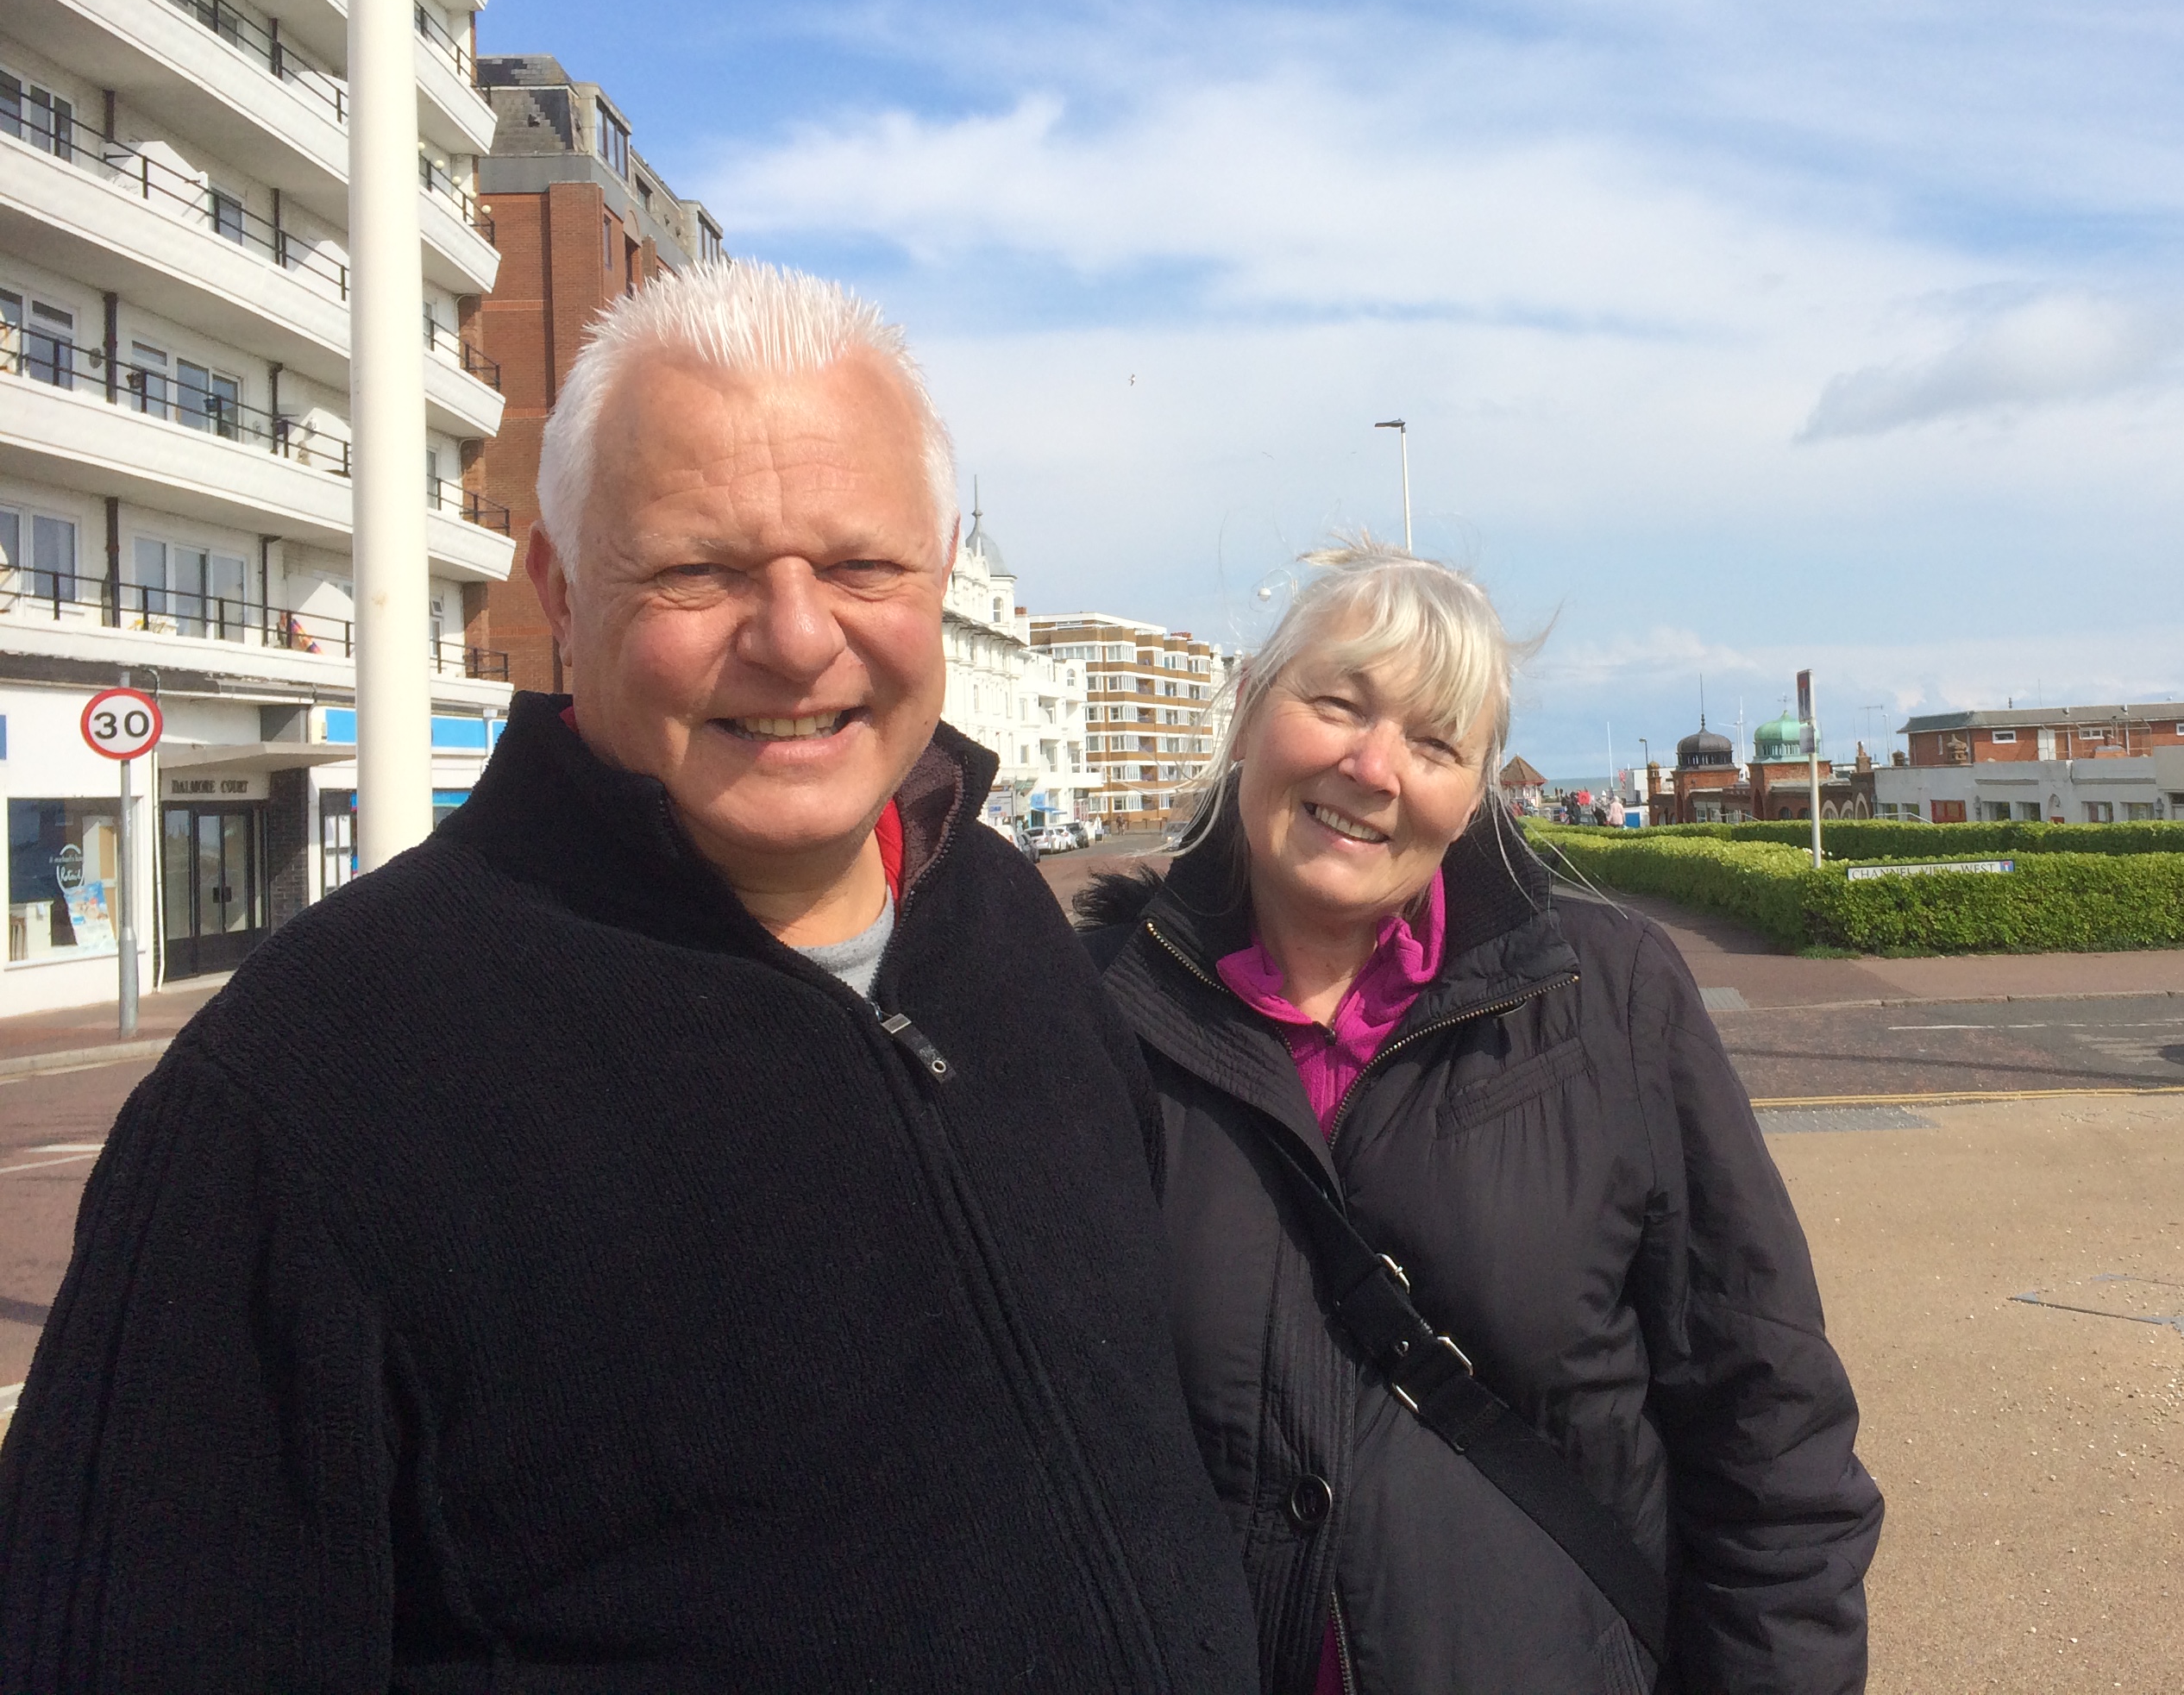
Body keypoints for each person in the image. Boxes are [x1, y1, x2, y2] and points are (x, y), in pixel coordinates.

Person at [0, 259, 1260, 1693]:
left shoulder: (1007, 925)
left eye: (861, 564)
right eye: (698, 570)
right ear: (557, 585)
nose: (795, 638)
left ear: (942, 565)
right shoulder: (301, 1093)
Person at [1077, 543, 1882, 1695]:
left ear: (1475, 793)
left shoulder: (1613, 1000)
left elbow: (1771, 1427)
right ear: (1251, 710)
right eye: (1337, 704)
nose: (1373, 766)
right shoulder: (1092, 1008)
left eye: (1435, 742)